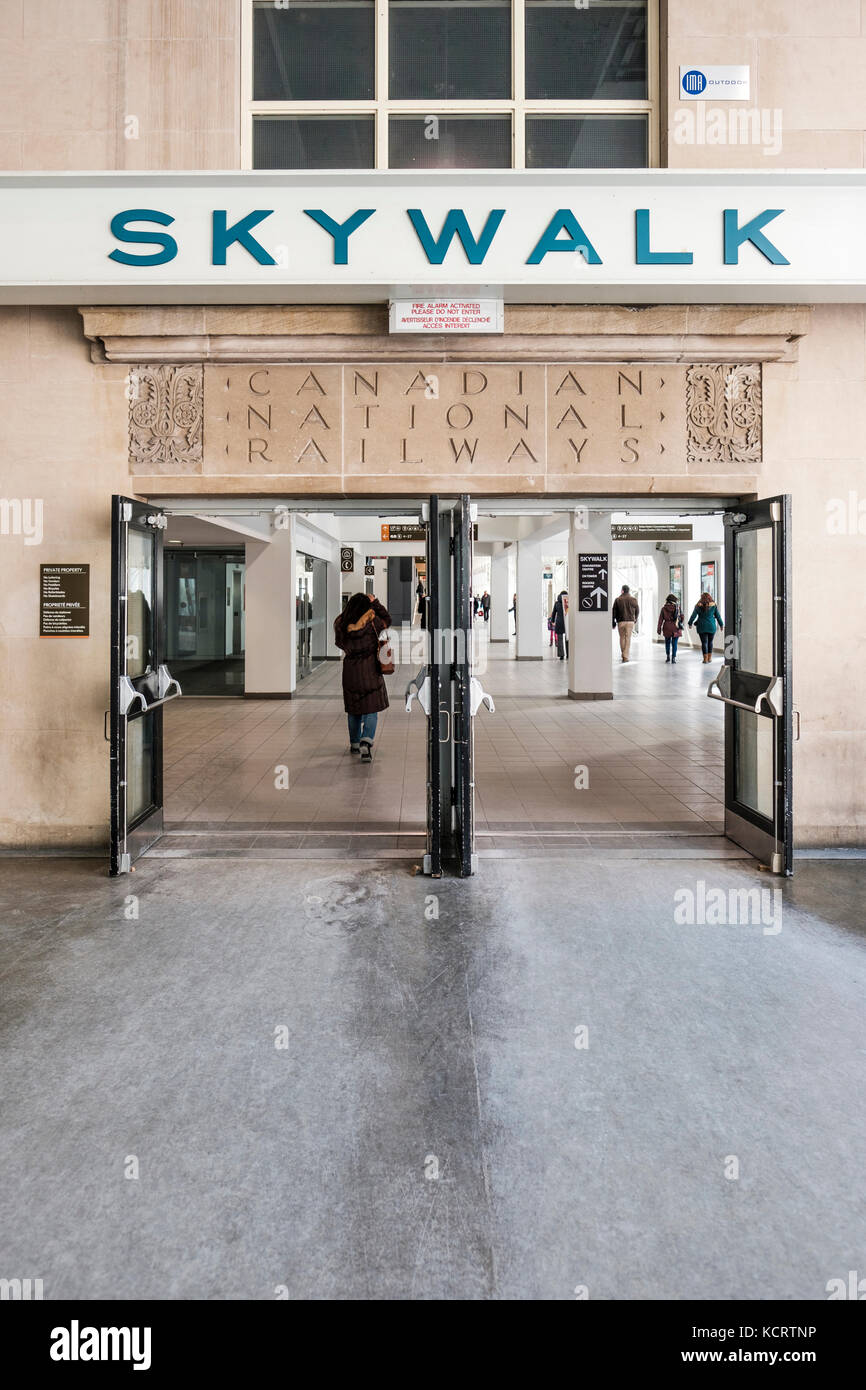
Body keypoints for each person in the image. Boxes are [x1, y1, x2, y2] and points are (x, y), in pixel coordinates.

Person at [333, 591, 392, 762]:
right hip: (370, 669)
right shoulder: (373, 622)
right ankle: (366, 740)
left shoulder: (340, 623)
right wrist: (375, 603)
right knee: (371, 708)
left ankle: (354, 743)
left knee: (353, 709)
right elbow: (387, 619)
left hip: (351, 669)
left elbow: (339, 643)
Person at [688, 591, 725, 663]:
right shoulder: (713, 605)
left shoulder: (698, 606)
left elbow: (693, 615)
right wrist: (721, 624)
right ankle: (709, 658)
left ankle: (705, 659)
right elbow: (718, 616)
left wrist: (690, 623)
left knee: (704, 642)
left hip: (701, 626)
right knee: (710, 642)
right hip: (711, 626)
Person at [612, 584, 639, 662]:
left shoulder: (617, 599)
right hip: (630, 621)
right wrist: (635, 618)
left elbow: (613, 612)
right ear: (629, 591)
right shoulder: (633, 599)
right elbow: (637, 610)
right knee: (628, 638)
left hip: (621, 621)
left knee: (622, 638)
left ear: (622, 590)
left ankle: (624, 655)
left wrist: (613, 622)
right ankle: (625, 656)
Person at [657, 592, 685, 663]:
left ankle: (668, 657)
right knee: (674, 643)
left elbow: (660, 620)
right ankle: (673, 658)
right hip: (676, 627)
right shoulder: (678, 607)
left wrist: (659, 629)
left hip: (667, 627)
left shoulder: (663, 608)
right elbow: (682, 617)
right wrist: (680, 620)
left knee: (667, 642)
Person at [550, 589, 569, 660]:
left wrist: (552, 621)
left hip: (559, 622)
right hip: (567, 621)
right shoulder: (567, 602)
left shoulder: (557, 603)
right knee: (568, 639)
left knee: (560, 639)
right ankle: (568, 654)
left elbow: (554, 612)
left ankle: (561, 655)